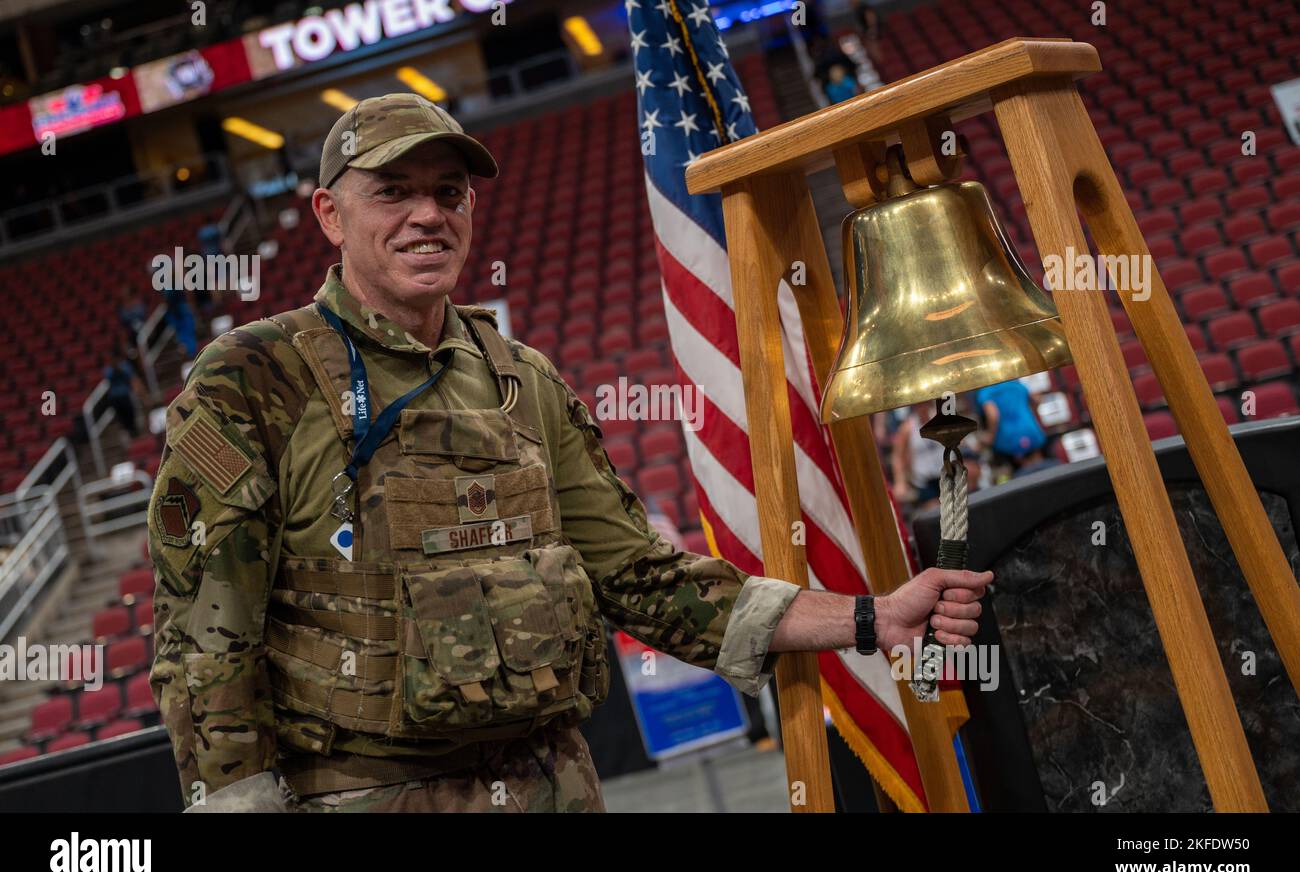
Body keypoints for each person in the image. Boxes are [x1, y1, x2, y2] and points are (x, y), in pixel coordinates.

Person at [146, 94, 992, 813]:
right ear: (331, 214)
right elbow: (203, 641)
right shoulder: (255, 378)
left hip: (554, 788)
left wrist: (872, 617)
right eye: (392, 192)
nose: (428, 214)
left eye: (450, 192)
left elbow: (638, 578)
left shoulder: (522, 380)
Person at [974, 379, 1048, 478]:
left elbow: (993, 415)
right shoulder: (1016, 383)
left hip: (1008, 439)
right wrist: (1031, 416)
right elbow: (1036, 400)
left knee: (1025, 476)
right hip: (1031, 430)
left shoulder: (987, 391)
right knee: (1043, 468)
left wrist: (991, 435)